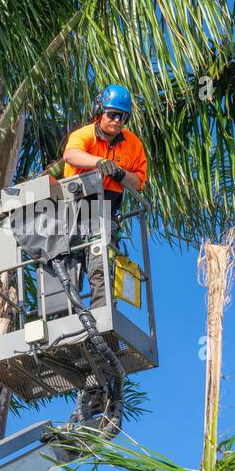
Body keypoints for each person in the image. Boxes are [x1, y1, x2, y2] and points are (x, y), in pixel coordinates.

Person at [61, 83, 149, 308]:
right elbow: (70, 155)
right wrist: (99, 163)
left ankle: (102, 313)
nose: (117, 121)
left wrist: (120, 173)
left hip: (105, 211)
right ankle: (68, 315)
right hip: (76, 209)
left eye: (123, 117)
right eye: (113, 114)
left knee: (101, 260)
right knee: (70, 263)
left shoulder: (133, 144)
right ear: (100, 111)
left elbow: (138, 181)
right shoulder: (85, 134)